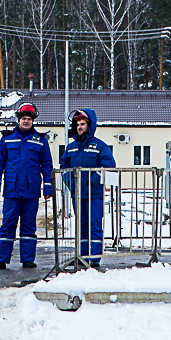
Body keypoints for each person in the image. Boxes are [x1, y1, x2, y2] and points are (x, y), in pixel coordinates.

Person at [0, 102, 53, 270]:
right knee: (8, 223)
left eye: (29, 119)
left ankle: (28, 259)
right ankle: (0, 260)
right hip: (12, 190)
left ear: (33, 121)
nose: (26, 121)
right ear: (18, 120)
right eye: (24, 118)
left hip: (31, 191)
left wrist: (48, 188)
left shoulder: (40, 140)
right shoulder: (7, 138)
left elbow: (47, 165)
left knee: (29, 225)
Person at [60, 109, 115, 268]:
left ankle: (95, 257)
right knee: (81, 225)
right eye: (77, 124)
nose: (79, 127)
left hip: (94, 193)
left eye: (82, 124)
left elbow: (109, 165)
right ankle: (82, 256)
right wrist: (71, 182)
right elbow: (64, 167)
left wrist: (93, 180)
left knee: (94, 224)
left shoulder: (100, 146)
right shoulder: (70, 148)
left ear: (90, 125)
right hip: (77, 194)